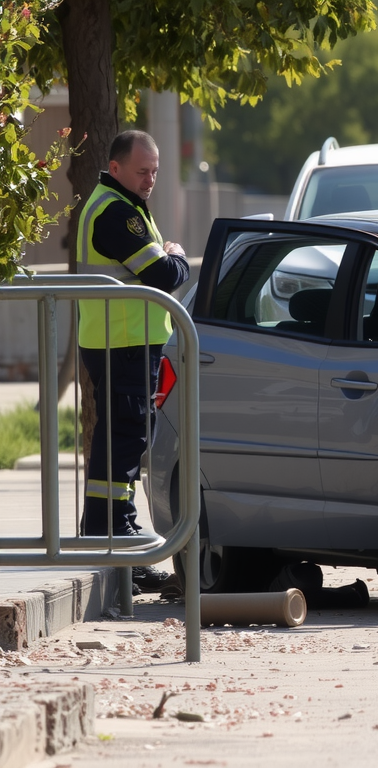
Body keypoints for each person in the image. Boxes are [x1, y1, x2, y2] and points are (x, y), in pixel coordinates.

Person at [76, 130, 190, 593]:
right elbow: (163, 275)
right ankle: (115, 535)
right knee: (125, 438)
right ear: (116, 167)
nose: (150, 180)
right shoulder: (117, 212)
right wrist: (177, 255)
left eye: (155, 172)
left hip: (120, 338)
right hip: (121, 340)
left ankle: (107, 530)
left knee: (121, 436)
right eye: (142, 171)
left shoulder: (119, 205)